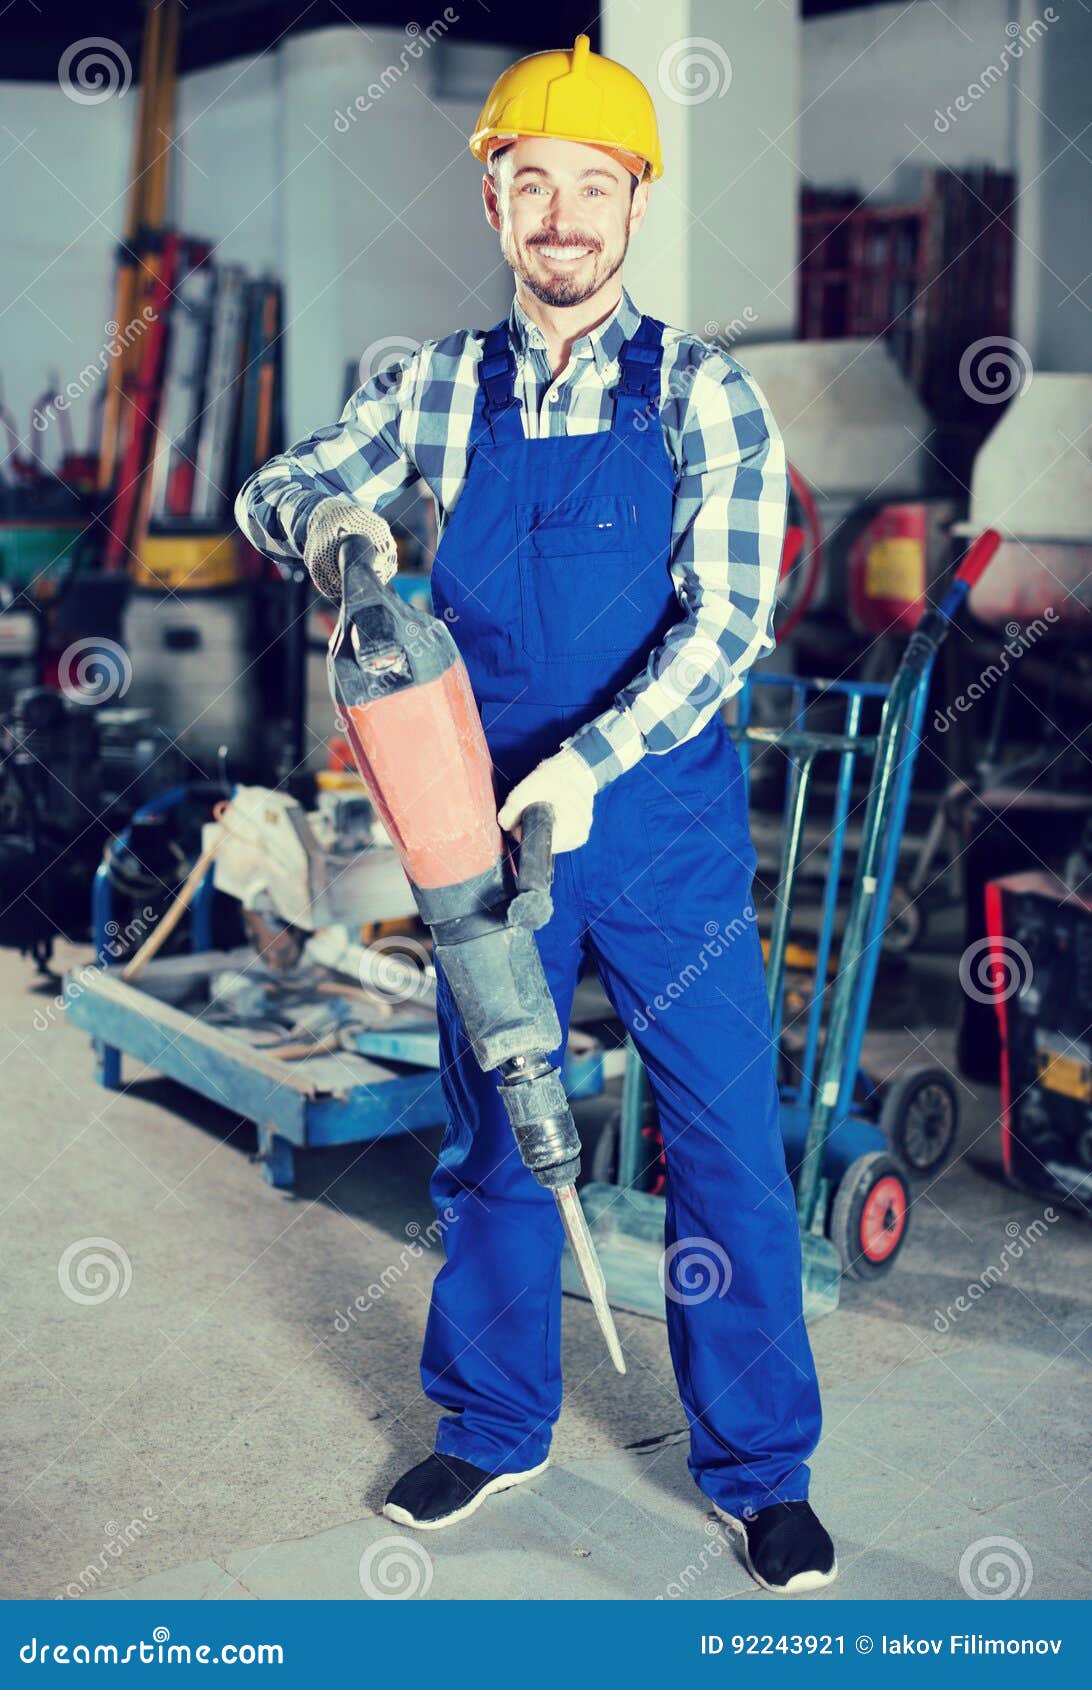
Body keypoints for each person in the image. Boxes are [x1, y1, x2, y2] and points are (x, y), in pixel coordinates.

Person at [236, 33, 836, 1596]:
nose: (562, 214)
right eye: (531, 184)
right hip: (480, 830)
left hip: (658, 828)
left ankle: (762, 1469)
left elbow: (728, 624)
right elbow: (270, 488)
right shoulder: (435, 386)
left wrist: (593, 760)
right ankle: (494, 1424)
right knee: (498, 1130)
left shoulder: (702, 391)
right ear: (493, 202)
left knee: (725, 1143)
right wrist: (336, 516)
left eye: (593, 184)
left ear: (634, 204)